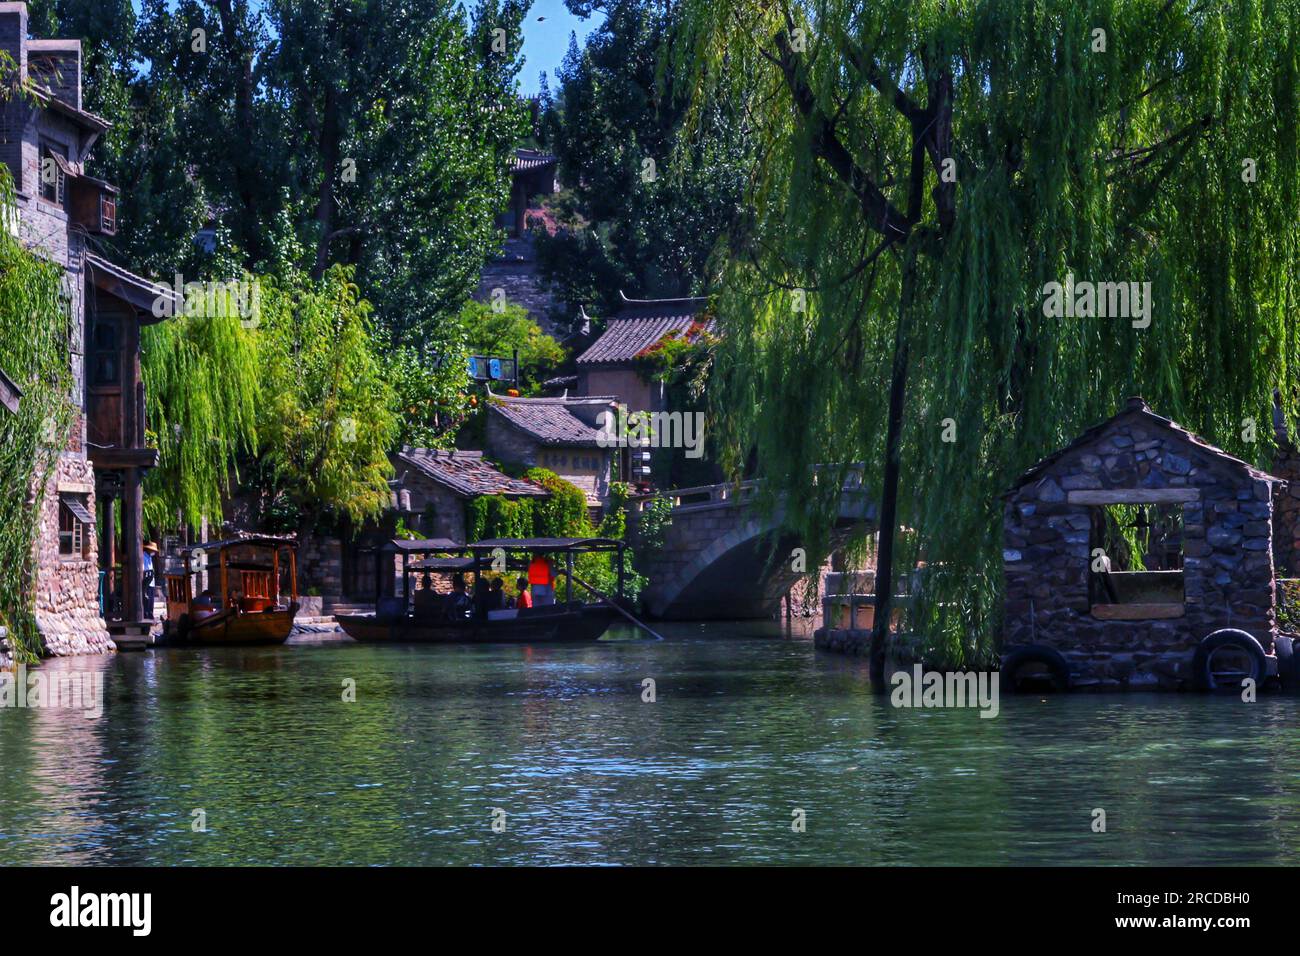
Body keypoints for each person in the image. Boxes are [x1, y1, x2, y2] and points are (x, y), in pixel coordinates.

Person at [142, 541, 159, 619]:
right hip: (146, 582)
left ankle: (150, 615)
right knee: (147, 601)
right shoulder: (143, 557)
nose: (154, 552)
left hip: (151, 582)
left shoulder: (149, 557)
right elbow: (144, 569)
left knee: (151, 601)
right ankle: (146, 615)